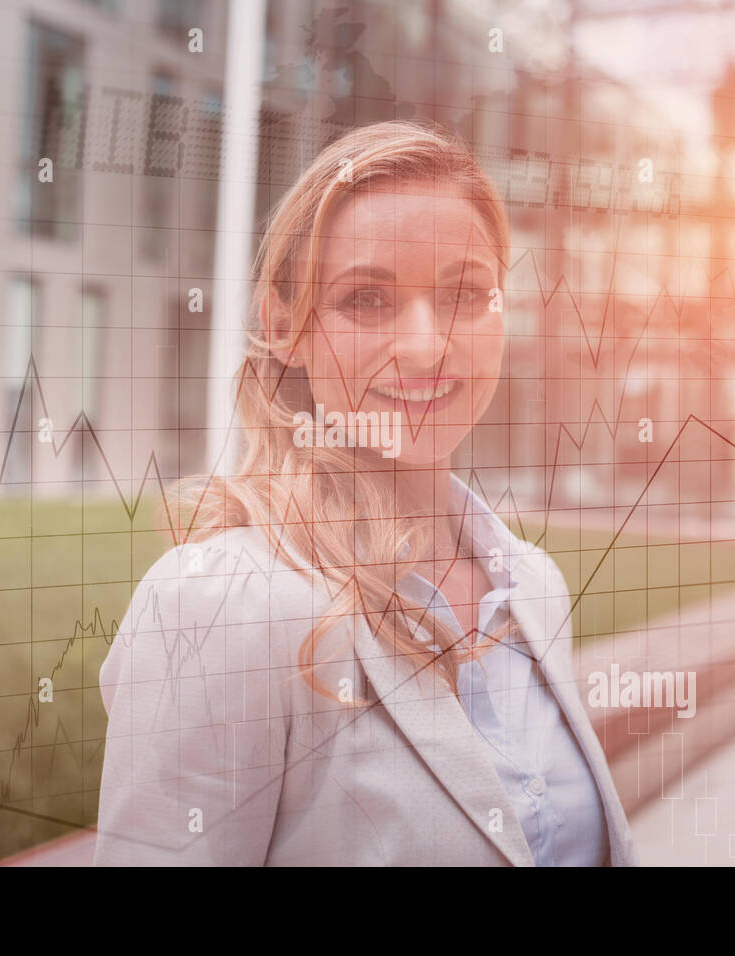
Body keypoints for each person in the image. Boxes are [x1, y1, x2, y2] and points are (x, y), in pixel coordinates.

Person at [95, 120, 638, 866]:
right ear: (283, 326)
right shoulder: (217, 603)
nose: (425, 346)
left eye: (464, 293)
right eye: (367, 300)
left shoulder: (533, 584)